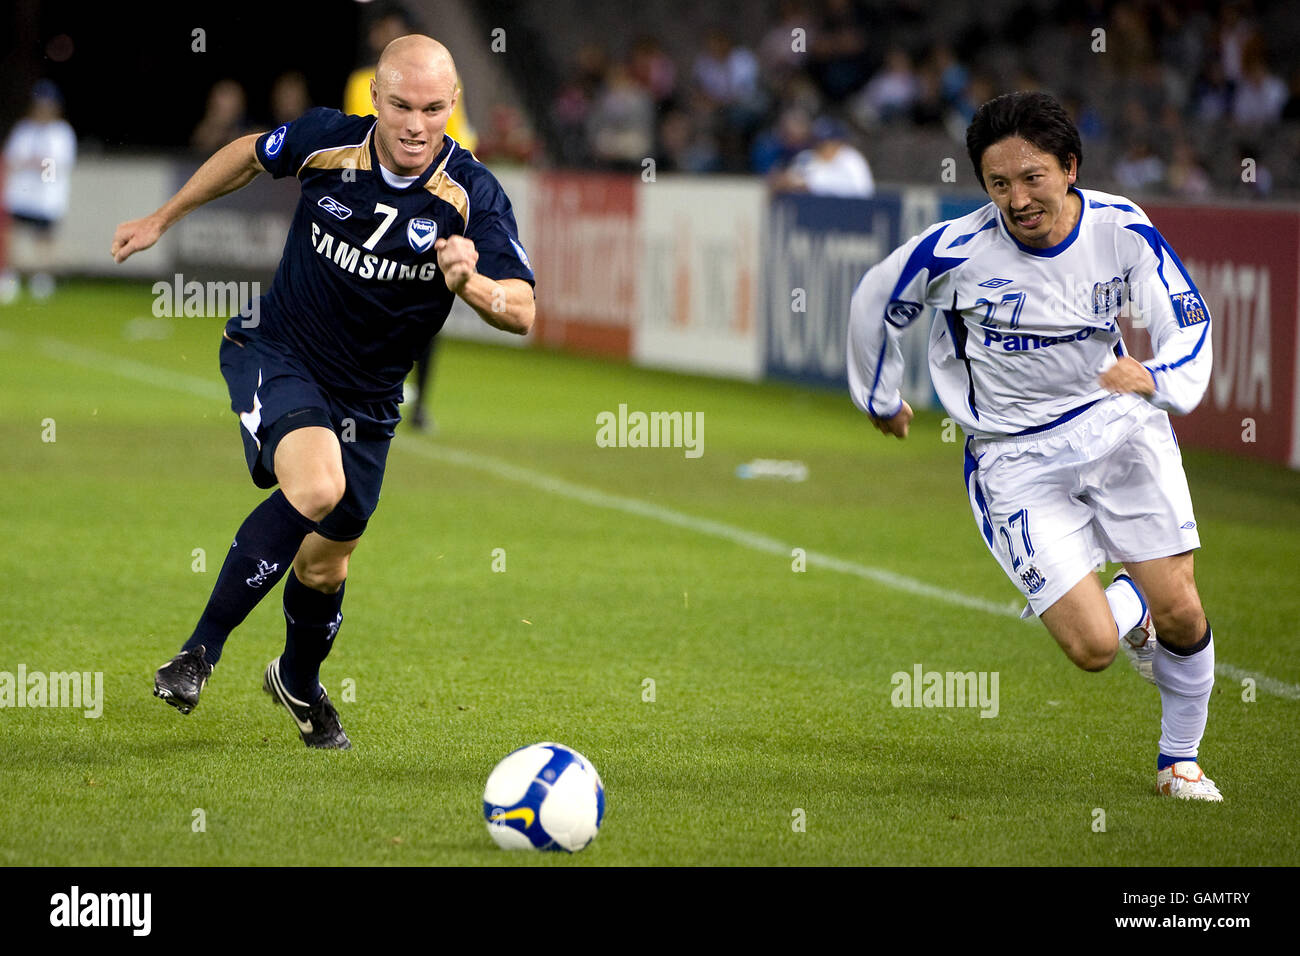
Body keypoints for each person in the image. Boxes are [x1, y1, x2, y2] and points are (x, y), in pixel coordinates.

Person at [111, 35, 535, 748]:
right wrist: (163, 217)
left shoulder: (474, 196)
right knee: (315, 486)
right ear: (376, 98)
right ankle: (198, 653)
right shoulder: (326, 143)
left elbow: (521, 310)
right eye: (401, 104)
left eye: (434, 109)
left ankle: (298, 683)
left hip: (368, 402)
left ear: (454, 106)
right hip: (277, 350)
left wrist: (472, 285)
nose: (415, 125)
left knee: (325, 563)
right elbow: (248, 152)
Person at [847, 91, 1221, 800]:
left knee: (1181, 608)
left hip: (1117, 426)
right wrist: (880, 393)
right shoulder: (957, 252)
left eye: (1032, 178)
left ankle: (1180, 761)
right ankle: (1126, 610)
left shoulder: (1121, 231)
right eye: (998, 184)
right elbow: (875, 297)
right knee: (1093, 649)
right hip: (1013, 459)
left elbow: (1187, 321)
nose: (1016, 199)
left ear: (1070, 167)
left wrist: (1158, 375)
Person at [1, 80, 77, 303]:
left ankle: (42, 279)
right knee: (11, 235)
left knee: (44, 239)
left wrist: (38, 165)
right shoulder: (24, 129)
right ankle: (8, 278)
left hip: (46, 197)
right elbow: (12, 159)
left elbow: (57, 167)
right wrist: (34, 164)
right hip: (21, 194)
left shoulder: (61, 133)